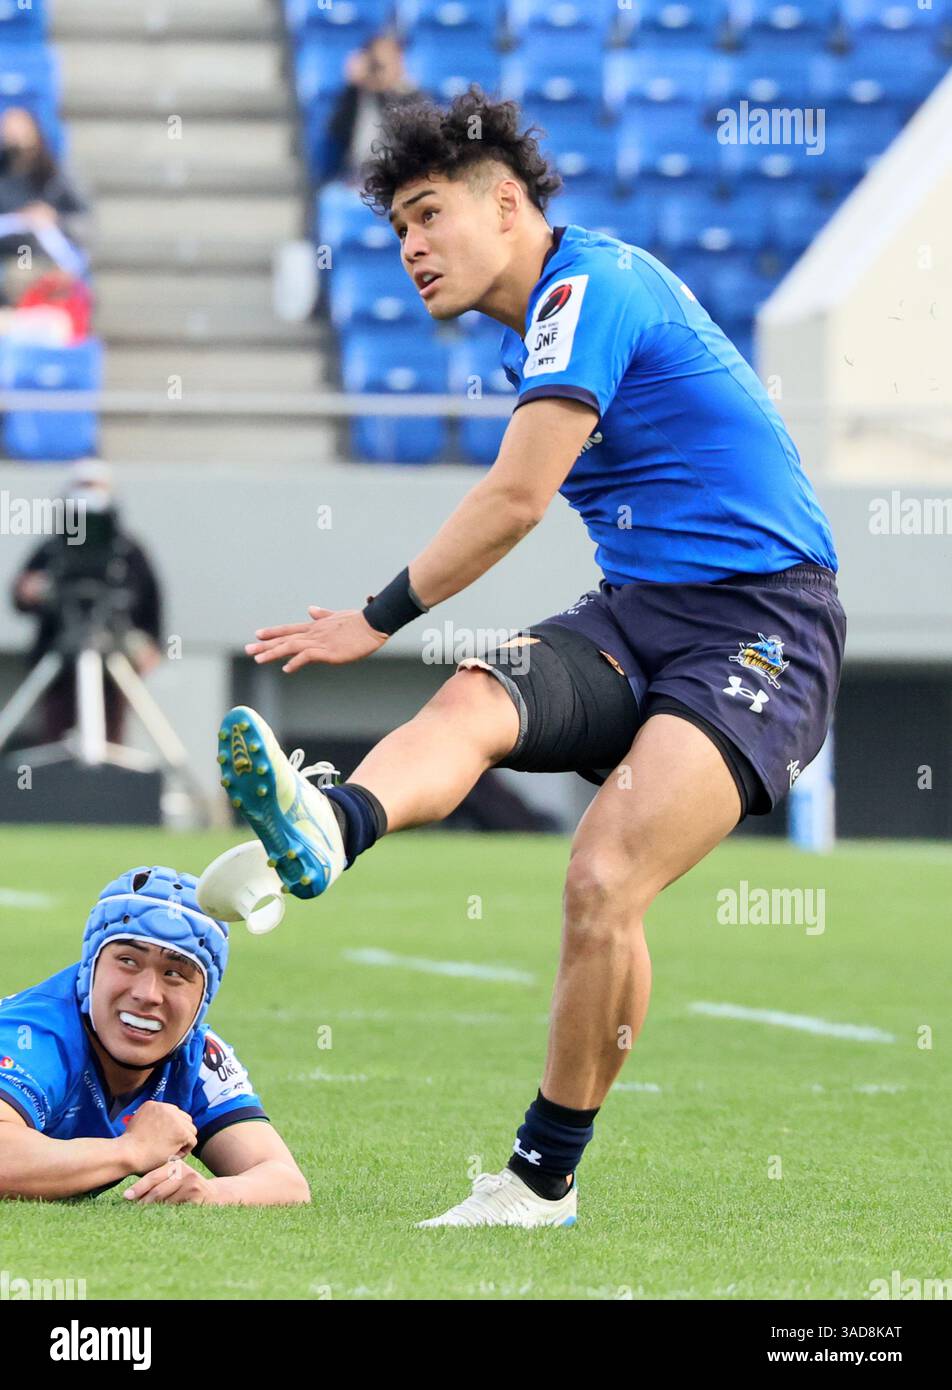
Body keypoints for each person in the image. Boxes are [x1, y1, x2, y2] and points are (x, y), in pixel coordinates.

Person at [217, 90, 847, 1227]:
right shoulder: (546, 319)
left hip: (766, 622)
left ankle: (538, 1182)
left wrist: (374, 614)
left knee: (604, 879)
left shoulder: (588, 287)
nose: (409, 249)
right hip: (639, 610)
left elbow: (514, 501)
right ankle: (332, 824)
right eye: (396, 230)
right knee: (474, 697)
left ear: (505, 203)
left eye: (425, 215)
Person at [0, 864, 310, 1204]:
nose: (147, 993)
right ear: (91, 967)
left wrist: (211, 1193)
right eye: (128, 961)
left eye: (175, 973)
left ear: (202, 998)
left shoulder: (196, 1055)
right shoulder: (36, 1035)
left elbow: (285, 1180)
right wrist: (131, 1150)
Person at [11, 460, 163, 745]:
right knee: (56, 732)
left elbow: (150, 600)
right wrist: (28, 591)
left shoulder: (129, 552)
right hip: (58, 655)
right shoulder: (51, 549)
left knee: (110, 736)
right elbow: (21, 595)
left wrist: (151, 644)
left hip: (112, 656)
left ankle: (107, 782)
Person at [324, 32, 418, 183]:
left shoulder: (413, 96)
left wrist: (393, 89)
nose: (382, 71)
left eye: (392, 60)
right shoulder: (356, 96)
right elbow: (335, 133)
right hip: (357, 178)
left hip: (401, 177)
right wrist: (353, 86)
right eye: (377, 65)